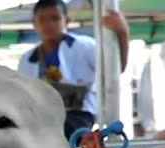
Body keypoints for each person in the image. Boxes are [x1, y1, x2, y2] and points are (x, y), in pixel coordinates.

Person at [16, 0, 129, 137]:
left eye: (55, 18)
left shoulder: (84, 46)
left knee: (57, 135)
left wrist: (122, 33)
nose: (49, 25)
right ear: (34, 24)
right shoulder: (27, 59)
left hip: (78, 117)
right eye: (42, 20)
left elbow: (115, 70)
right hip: (42, 120)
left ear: (66, 21)